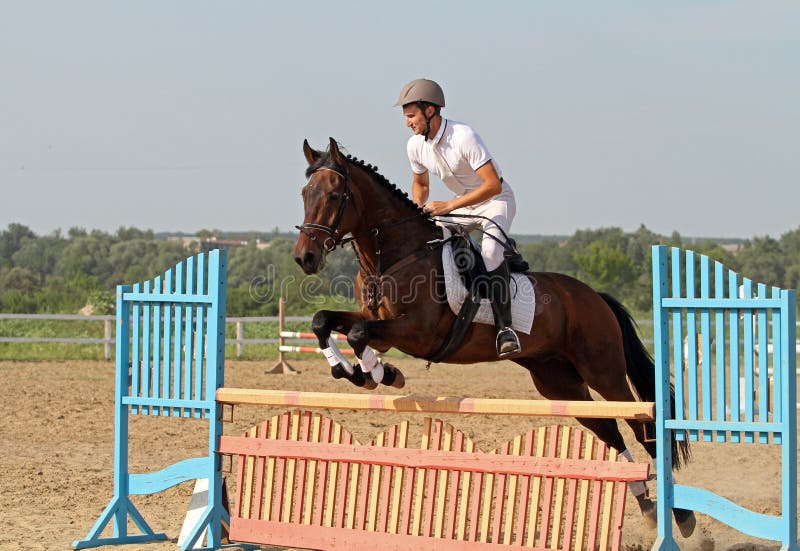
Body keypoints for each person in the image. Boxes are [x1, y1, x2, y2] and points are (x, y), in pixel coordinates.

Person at [395, 78, 521, 357]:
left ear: (430, 110)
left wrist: (449, 205)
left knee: (490, 252)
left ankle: (506, 329)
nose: (407, 123)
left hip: (495, 201)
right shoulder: (415, 145)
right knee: (430, 238)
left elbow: (492, 185)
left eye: (411, 115)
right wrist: (417, 208)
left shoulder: (463, 136)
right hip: (464, 203)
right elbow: (421, 184)